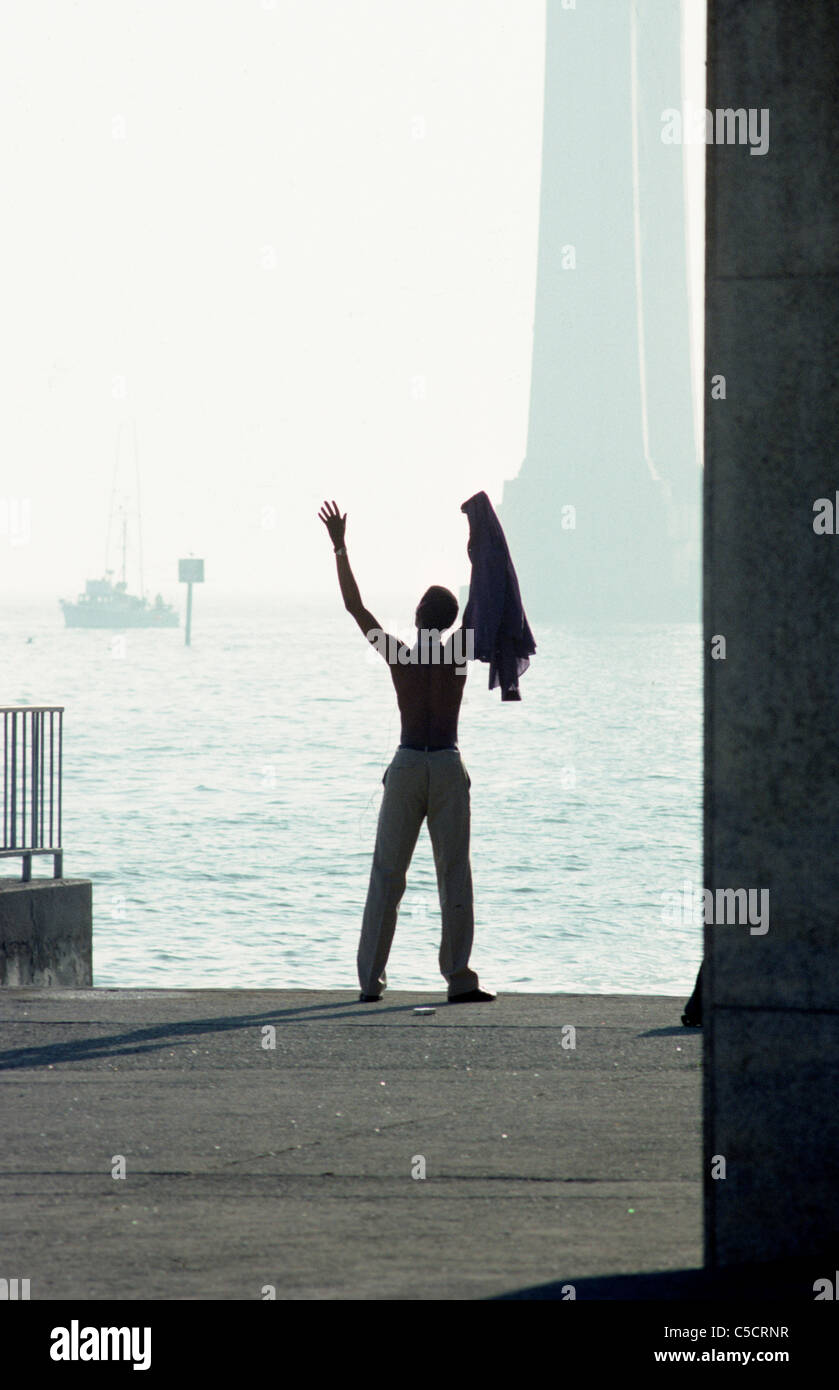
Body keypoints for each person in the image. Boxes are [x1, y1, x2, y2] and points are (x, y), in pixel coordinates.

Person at [318, 499, 495, 1005]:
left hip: (405, 766)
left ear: (418, 617)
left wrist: (340, 547)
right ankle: (459, 978)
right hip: (445, 763)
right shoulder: (460, 652)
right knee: (454, 875)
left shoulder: (401, 655)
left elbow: (356, 608)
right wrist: (478, 553)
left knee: (386, 876)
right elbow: (484, 602)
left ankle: (370, 981)